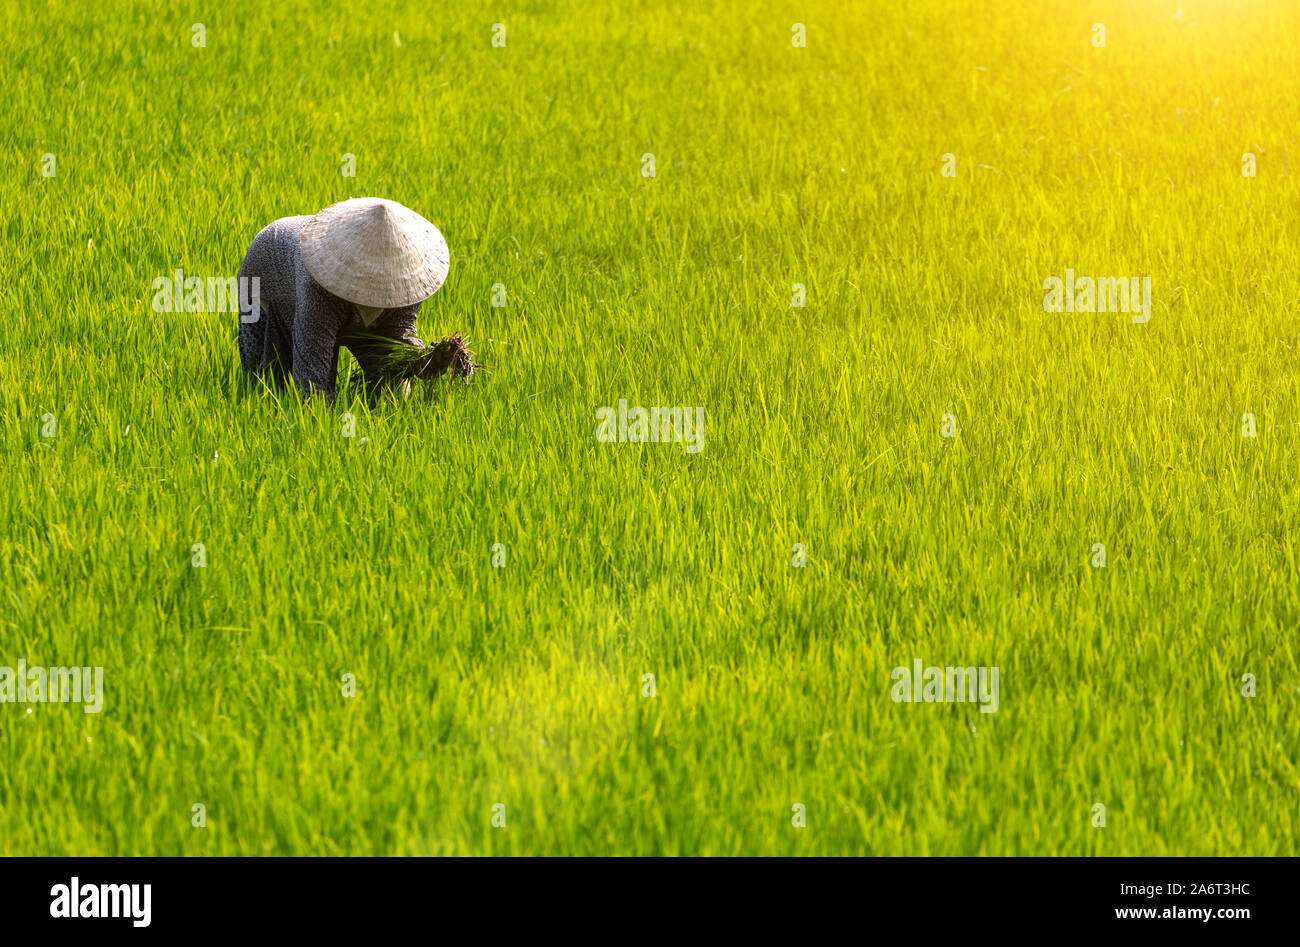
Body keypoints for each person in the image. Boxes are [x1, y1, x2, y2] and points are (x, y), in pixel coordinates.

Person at [236, 197, 473, 400]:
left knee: (393, 393)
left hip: (326, 296)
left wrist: (425, 362)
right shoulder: (318, 285)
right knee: (265, 385)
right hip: (263, 280)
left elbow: (397, 338)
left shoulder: (407, 283)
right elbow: (311, 383)